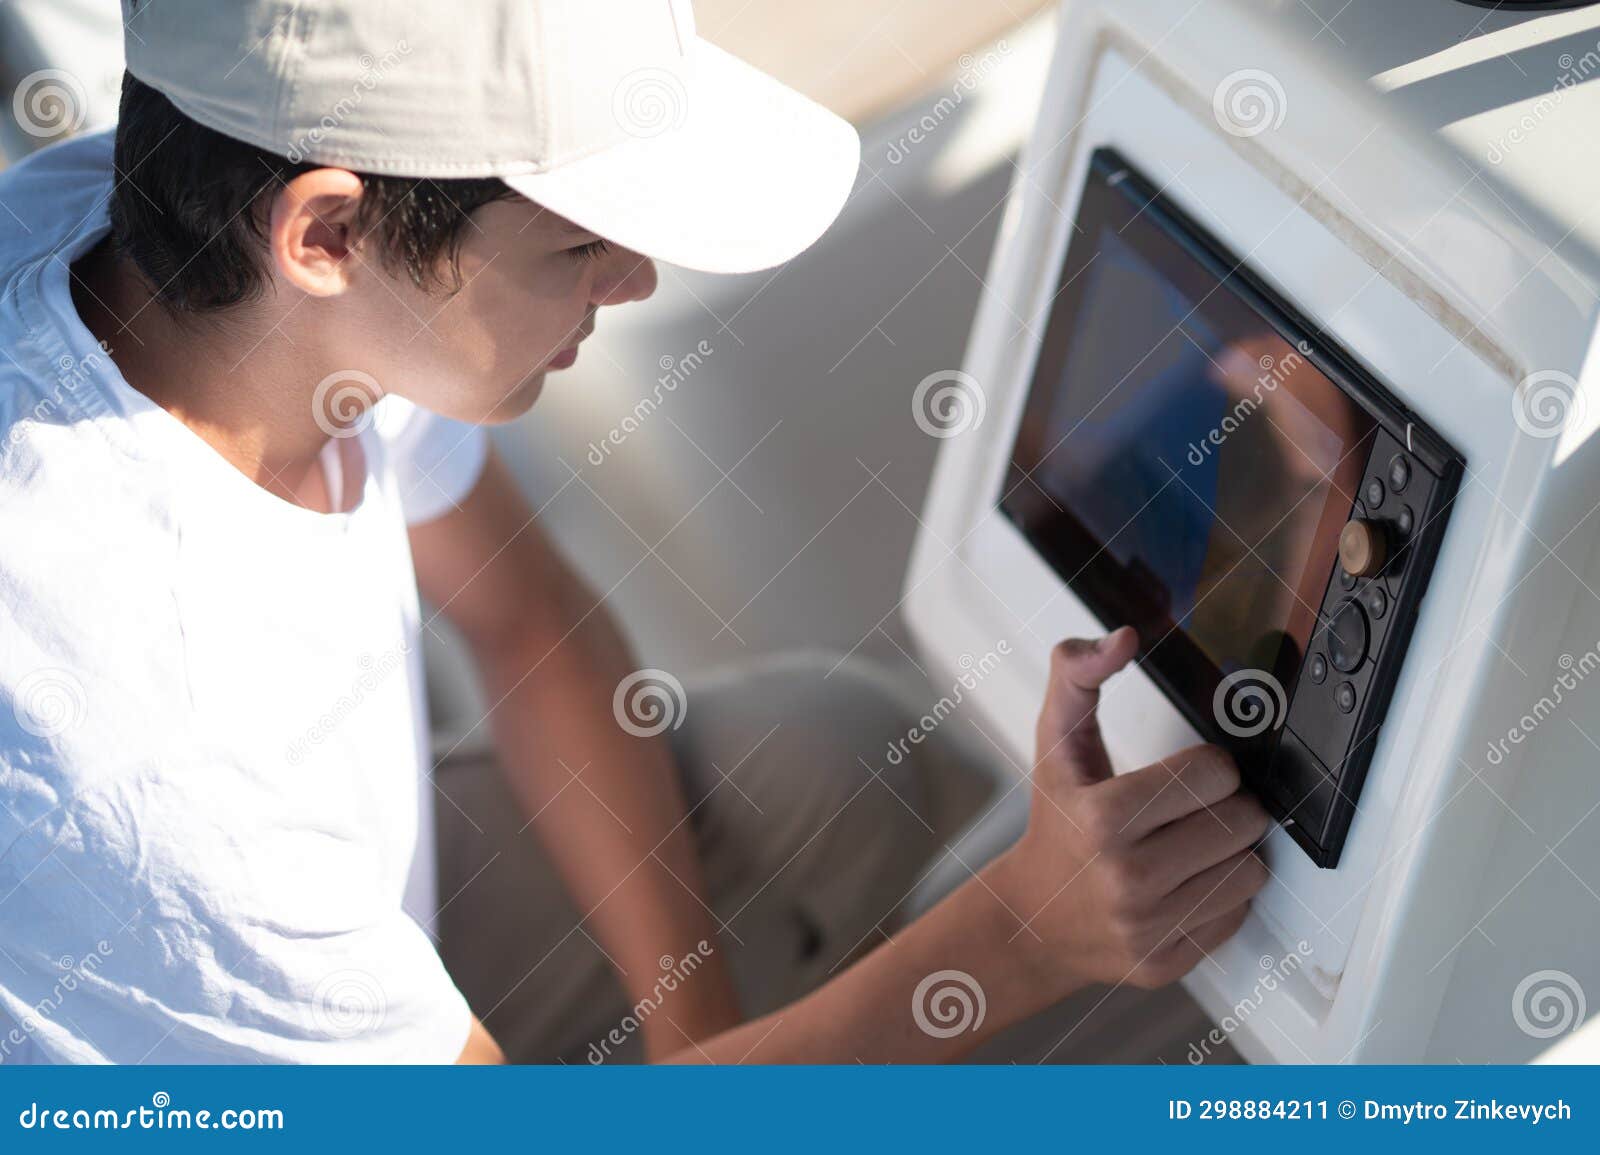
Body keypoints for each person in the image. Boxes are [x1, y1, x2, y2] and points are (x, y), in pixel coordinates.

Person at [0, 0, 1269, 1064]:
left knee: (849, 758)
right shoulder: (145, 753)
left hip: (351, 902)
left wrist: (689, 1052)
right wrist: (1024, 941)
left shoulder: (203, 259)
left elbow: (522, 620)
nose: (637, 278)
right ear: (327, 234)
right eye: (580, 242)